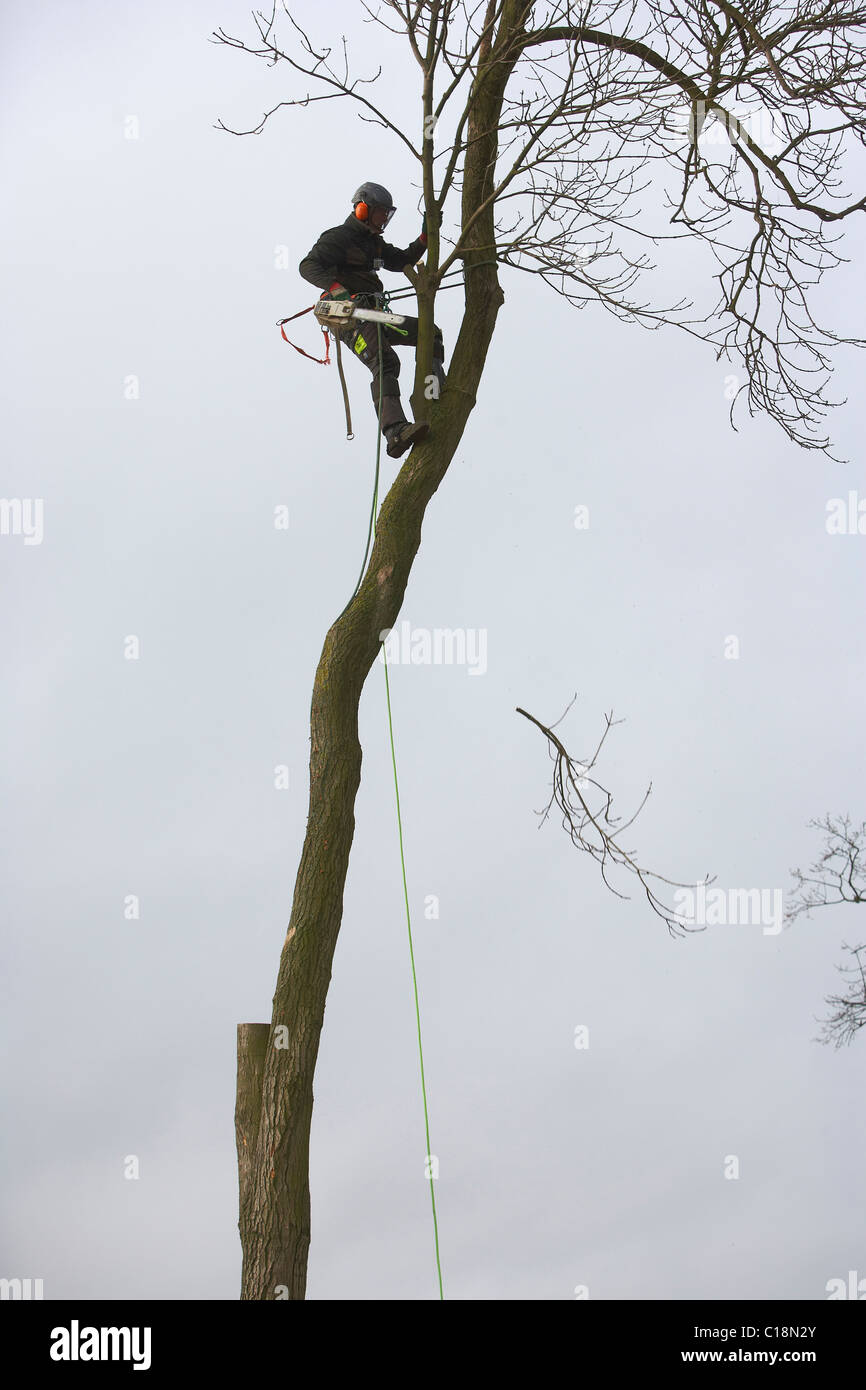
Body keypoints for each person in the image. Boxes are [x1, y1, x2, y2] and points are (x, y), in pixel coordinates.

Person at [298, 182, 446, 458]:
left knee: (429, 332)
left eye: (386, 215)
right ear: (362, 208)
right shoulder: (338, 237)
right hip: (350, 316)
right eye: (379, 214)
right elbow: (307, 266)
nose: (383, 220)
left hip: (374, 313)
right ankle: (395, 432)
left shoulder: (374, 244)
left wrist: (427, 234)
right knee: (385, 360)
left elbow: (403, 259)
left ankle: (434, 393)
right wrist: (335, 288)